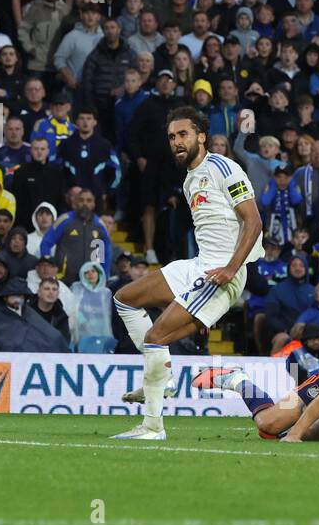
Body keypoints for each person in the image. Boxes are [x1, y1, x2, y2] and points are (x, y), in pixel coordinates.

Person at [110, 107, 264, 440]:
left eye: (183, 134)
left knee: (155, 338)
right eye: (171, 137)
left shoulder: (224, 167)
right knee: (125, 298)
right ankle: (159, 377)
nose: (177, 142)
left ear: (201, 136)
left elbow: (253, 221)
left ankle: (152, 426)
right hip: (198, 264)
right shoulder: (190, 178)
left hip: (221, 271)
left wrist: (231, 268)